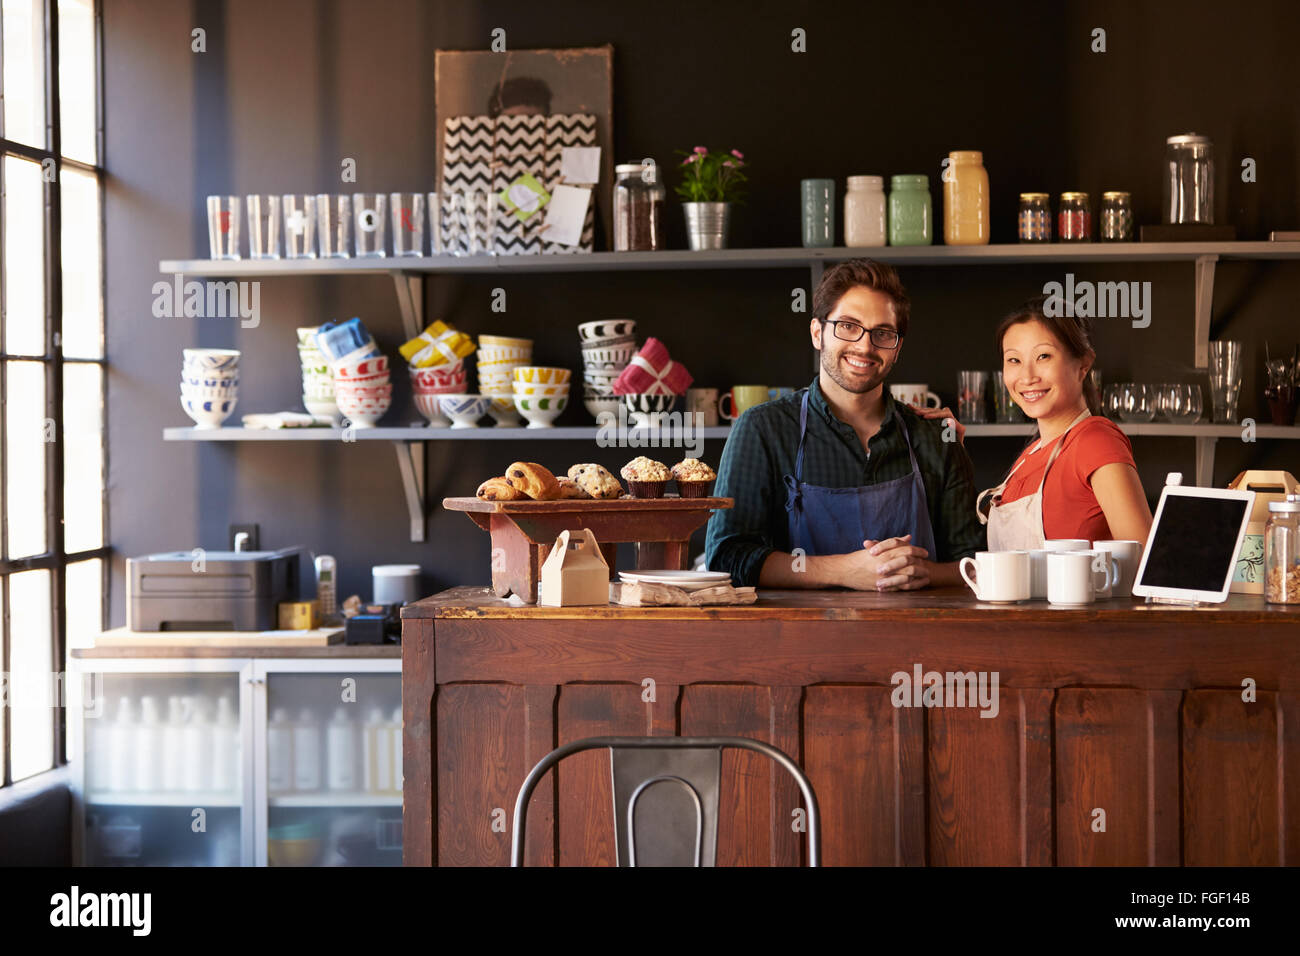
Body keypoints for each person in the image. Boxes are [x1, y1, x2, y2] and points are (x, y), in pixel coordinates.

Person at [705, 258, 986, 590]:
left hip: (917, 639)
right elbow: (727, 557)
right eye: (848, 326)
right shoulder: (762, 430)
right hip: (799, 639)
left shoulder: (937, 438)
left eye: (883, 333)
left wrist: (921, 572)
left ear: (897, 350)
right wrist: (843, 571)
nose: (865, 346)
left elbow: (977, 565)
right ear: (817, 333)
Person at [978, 297, 1152, 548]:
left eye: (1044, 356)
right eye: (1014, 360)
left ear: (1083, 365)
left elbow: (1142, 563)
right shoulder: (1028, 458)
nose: (1027, 377)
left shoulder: (1096, 441)